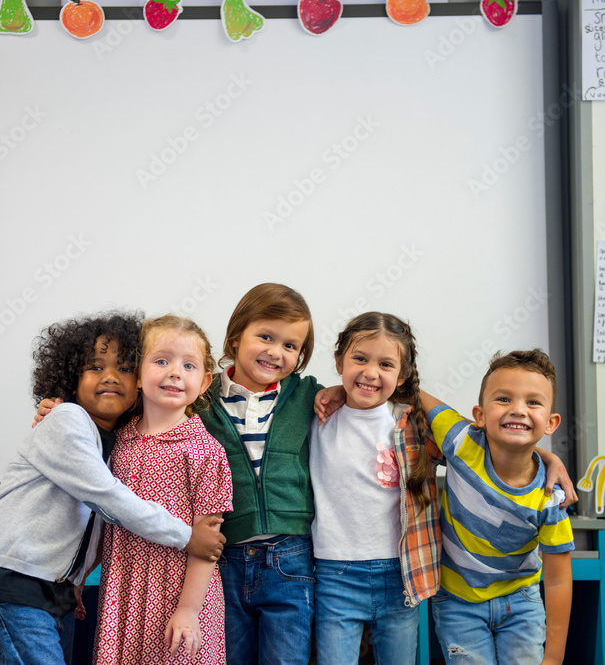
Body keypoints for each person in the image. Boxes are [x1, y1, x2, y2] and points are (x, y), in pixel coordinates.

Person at [0, 311, 225, 665]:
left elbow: (97, 521)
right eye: (95, 367)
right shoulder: (68, 420)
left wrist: (77, 579)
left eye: (123, 367)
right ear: (71, 376)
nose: (111, 377)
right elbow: (107, 498)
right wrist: (186, 536)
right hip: (15, 578)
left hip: (53, 585)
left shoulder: (120, 441)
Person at [194, 283, 323, 665]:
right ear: (236, 338)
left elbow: (360, 392)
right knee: (231, 657)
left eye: (290, 345)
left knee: (286, 659)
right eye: (265, 336)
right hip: (224, 557)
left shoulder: (305, 395)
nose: (275, 351)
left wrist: (334, 395)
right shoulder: (200, 398)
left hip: (290, 555)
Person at [94, 314, 233, 665]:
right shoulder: (117, 439)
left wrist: (188, 610)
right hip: (122, 593)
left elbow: (208, 540)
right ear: (137, 375)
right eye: (161, 361)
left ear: (205, 383)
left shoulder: (205, 451)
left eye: (188, 366)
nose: (174, 372)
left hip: (180, 595)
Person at [420, 349, 574, 665]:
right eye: (503, 399)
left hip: (521, 603)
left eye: (533, 402)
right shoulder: (461, 441)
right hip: (457, 602)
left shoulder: (549, 495)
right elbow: (405, 385)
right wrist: (340, 391)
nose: (518, 410)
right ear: (479, 414)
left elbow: (558, 580)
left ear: (551, 422)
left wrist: (554, 658)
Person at [310, 312, 439, 665]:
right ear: (339, 362)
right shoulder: (318, 417)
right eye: (359, 359)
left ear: (403, 375)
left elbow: (470, 444)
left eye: (385, 364)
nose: (370, 372)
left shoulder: (411, 421)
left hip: (400, 574)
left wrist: (548, 459)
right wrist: (334, 391)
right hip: (335, 574)